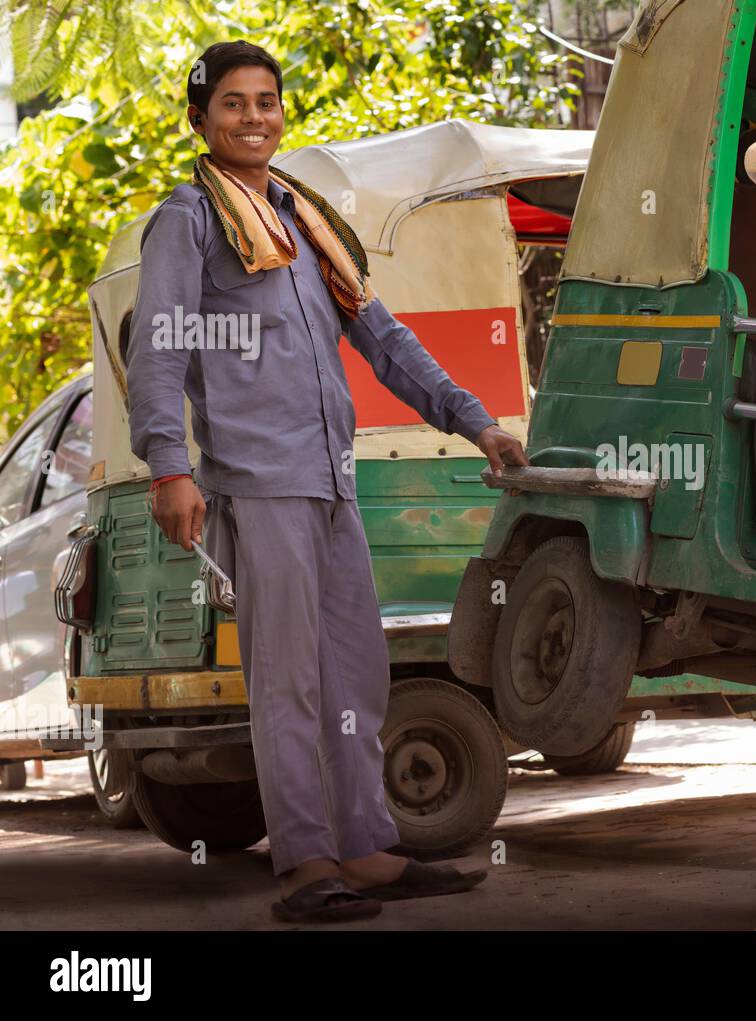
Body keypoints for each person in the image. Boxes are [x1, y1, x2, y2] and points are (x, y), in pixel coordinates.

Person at [126, 40, 528, 923]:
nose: (254, 117)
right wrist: (168, 466)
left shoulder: (305, 224)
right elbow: (157, 347)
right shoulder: (188, 220)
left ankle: (364, 847)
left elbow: (386, 340)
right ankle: (305, 864)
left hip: (332, 484)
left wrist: (476, 421)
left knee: (355, 676)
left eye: (267, 100)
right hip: (258, 483)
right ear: (199, 118)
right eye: (232, 103)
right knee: (289, 683)